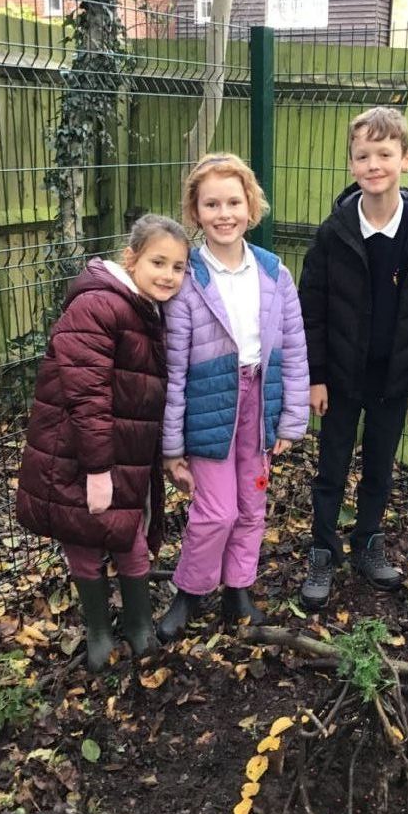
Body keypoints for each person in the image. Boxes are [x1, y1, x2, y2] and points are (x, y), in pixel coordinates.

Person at [298, 106, 408, 609]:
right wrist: (315, 376)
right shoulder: (334, 233)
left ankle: (368, 542)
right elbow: (313, 311)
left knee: (380, 469)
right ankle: (324, 548)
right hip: (342, 378)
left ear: (406, 158)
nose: (373, 164)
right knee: (332, 466)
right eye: (362, 155)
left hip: (394, 377)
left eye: (384, 154)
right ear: (351, 165)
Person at [16, 215, 189, 671]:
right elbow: (86, 394)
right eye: (158, 262)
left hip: (124, 453)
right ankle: (97, 629)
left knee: (129, 536)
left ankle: (137, 622)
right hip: (78, 454)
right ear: (130, 258)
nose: (168, 275)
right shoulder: (98, 306)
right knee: (83, 537)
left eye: (178, 267)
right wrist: (96, 470)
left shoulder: (147, 308)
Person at [157, 153, 309, 641]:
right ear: (195, 212)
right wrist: (172, 448)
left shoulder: (273, 273)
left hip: (258, 404)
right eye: (211, 204)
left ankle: (238, 589)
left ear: (250, 206)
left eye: (233, 202)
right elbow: (175, 369)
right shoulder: (187, 282)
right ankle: (190, 591)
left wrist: (290, 421)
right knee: (215, 511)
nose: (224, 214)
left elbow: (295, 349)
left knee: (251, 507)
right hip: (208, 409)